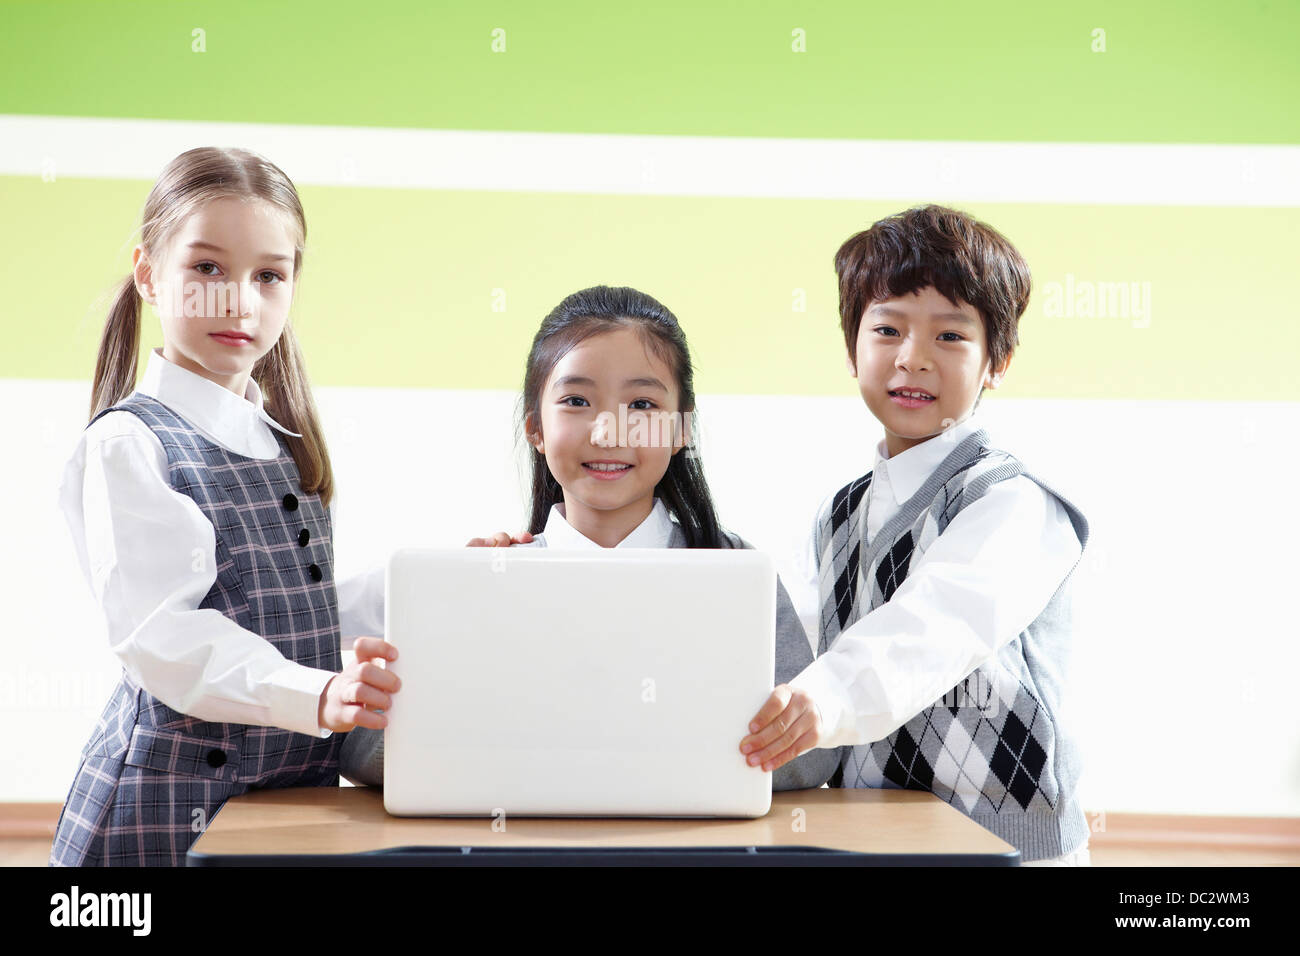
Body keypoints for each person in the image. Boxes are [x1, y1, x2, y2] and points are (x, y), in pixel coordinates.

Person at [49, 147, 399, 867]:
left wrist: (446, 579)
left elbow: (294, 607)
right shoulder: (130, 444)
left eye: (269, 275)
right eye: (207, 268)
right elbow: (166, 639)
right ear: (150, 274)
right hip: (163, 816)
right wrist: (320, 691)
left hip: (277, 800)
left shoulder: (277, 441)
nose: (239, 300)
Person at [340, 285, 838, 793]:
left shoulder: (738, 574)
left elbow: (815, 763)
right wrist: (439, 651)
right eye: (576, 400)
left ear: (679, 428)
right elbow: (364, 760)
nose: (607, 432)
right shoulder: (486, 576)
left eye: (641, 404)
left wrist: (769, 732)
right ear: (535, 427)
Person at [740, 206, 1092, 864]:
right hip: (871, 832)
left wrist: (819, 700)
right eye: (888, 329)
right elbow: (795, 638)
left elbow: (933, 626)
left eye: (950, 336)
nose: (912, 358)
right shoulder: (839, 510)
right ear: (853, 351)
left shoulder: (1014, 501)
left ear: (998, 360)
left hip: (1004, 845)